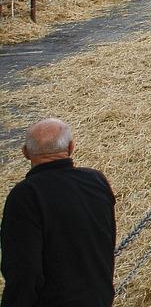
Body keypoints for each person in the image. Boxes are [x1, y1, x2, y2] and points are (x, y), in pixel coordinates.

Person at [1, 119, 115, 307]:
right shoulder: (96, 180)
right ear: (71, 148)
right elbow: (107, 239)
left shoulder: (24, 196)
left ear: (26, 153)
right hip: (99, 297)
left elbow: (24, 272)